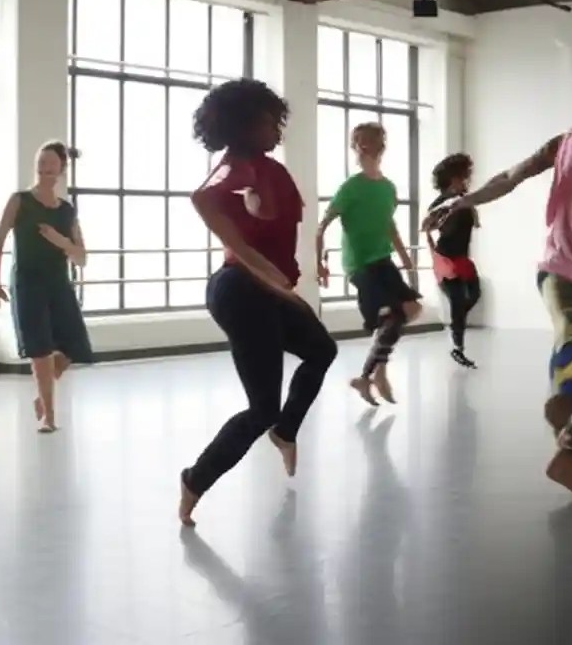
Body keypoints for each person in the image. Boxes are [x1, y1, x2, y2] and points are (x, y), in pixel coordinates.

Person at [432, 65, 572, 501]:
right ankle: (561, 400)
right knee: (570, 330)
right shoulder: (566, 145)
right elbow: (509, 177)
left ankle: (566, 457)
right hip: (559, 268)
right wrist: (461, 200)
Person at [178, 79, 338, 527]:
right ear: (246, 125)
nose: (277, 128)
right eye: (269, 120)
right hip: (243, 291)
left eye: (277, 119)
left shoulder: (268, 168)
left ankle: (284, 432)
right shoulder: (240, 167)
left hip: (266, 289)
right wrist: (273, 278)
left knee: (322, 350)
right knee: (262, 404)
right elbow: (204, 196)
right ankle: (195, 479)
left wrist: (282, 284)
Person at [0, 141, 94, 433]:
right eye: (40, 161)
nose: (44, 167)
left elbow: (81, 256)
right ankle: (48, 415)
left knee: (72, 345)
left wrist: (59, 241)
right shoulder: (20, 200)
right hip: (27, 282)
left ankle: (42, 397)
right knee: (40, 350)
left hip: (58, 282)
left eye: (50, 162)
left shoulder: (66, 210)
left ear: (61, 169)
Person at [316, 122, 421, 406]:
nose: (364, 147)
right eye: (359, 141)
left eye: (371, 141)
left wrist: (403, 255)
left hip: (383, 260)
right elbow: (321, 225)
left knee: (411, 309)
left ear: (382, 146)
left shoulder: (388, 188)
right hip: (360, 265)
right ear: (353, 147)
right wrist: (319, 262)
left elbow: (389, 225)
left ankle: (373, 375)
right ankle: (372, 375)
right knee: (391, 317)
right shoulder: (350, 188)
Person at [425, 153, 481, 368]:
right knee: (458, 301)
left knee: (474, 295)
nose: (466, 180)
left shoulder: (464, 199)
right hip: (445, 258)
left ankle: (455, 323)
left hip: (462, 257)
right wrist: (444, 216)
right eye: (462, 176)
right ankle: (458, 348)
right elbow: (430, 225)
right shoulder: (441, 204)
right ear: (451, 178)